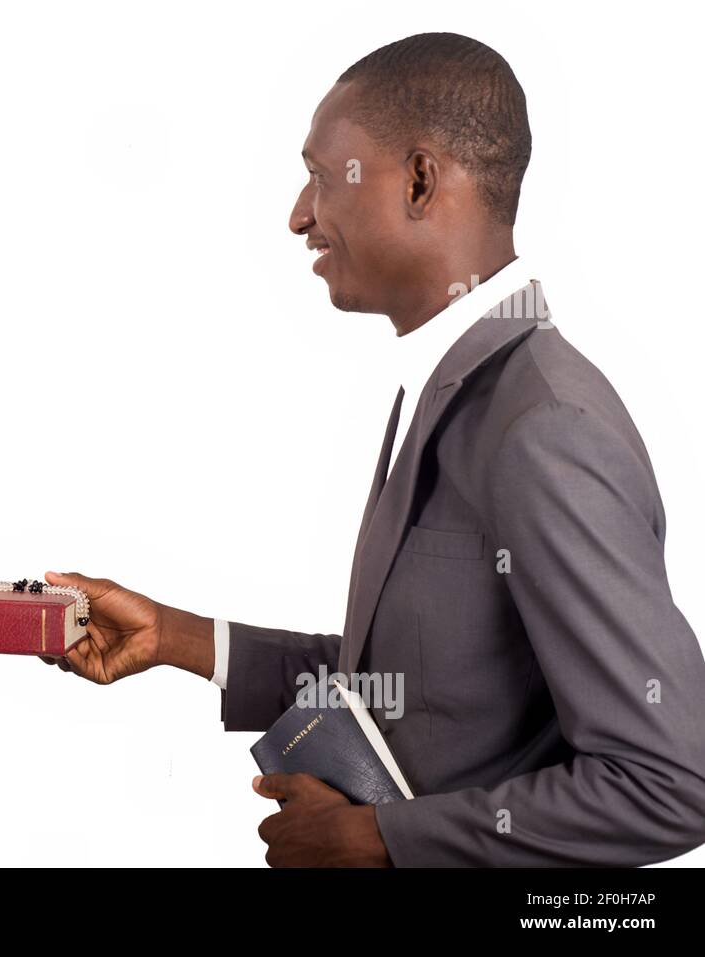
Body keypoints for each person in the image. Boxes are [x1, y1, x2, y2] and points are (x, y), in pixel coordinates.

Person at [41, 33, 705, 867]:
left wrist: (384, 842)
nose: (299, 213)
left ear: (420, 181)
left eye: (323, 175)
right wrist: (178, 638)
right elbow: (411, 683)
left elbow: (669, 779)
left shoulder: (545, 425)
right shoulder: (452, 386)